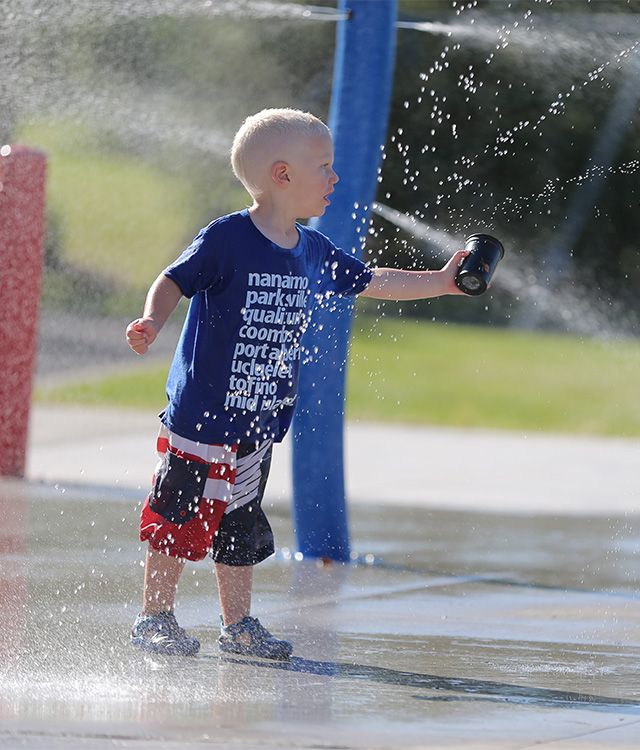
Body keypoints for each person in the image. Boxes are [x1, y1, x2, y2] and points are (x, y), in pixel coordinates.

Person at [124, 108, 471, 659]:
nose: (335, 179)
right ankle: (154, 616)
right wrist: (152, 322)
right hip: (201, 417)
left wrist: (442, 281)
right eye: (325, 167)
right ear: (282, 175)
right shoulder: (228, 238)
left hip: (256, 423)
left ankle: (237, 627)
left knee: (238, 524)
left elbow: (371, 279)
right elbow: (173, 279)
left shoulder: (311, 249)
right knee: (177, 513)